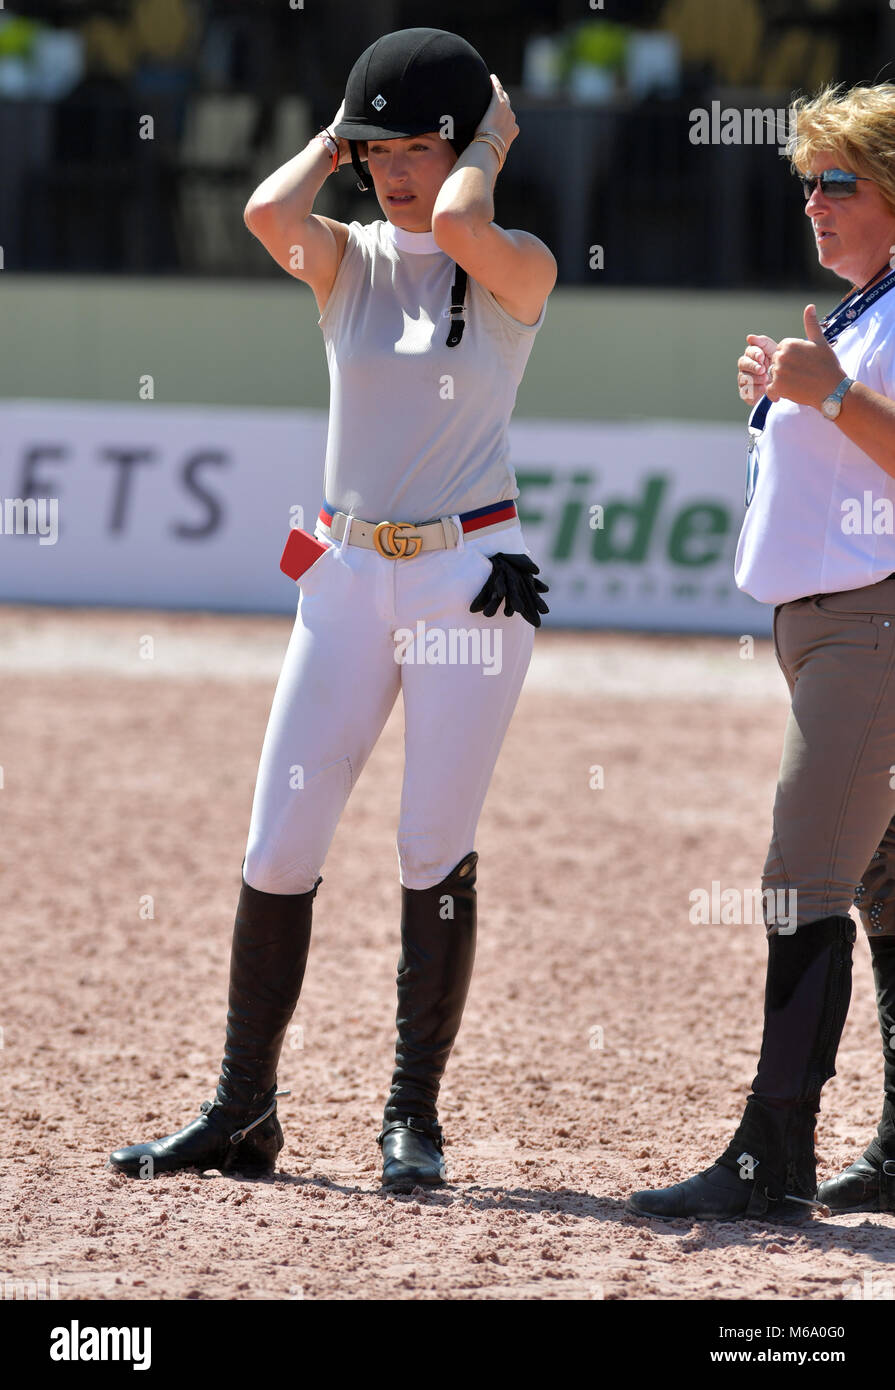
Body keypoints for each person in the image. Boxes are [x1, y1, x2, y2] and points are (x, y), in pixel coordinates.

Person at [107, 27, 556, 1192]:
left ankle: (412, 1116)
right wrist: (337, 130)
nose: (398, 169)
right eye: (381, 149)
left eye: (421, 146)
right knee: (277, 843)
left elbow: (458, 225)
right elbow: (264, 213)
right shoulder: (345, 259)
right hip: (346, 573)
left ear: (463, 149)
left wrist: (488, 142)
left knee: (428, 844)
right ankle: (242, 1108)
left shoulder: (514, 260)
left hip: (470, 577)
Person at [628, 81, 895, 1222]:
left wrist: (822, 391)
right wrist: (791, 394)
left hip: (869, 628)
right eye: (806, 186)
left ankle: (769, 1150)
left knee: (801, 881)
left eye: (839, 183)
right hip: (829, 627)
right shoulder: (862, 306)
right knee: (882, 889)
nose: (815, 205)